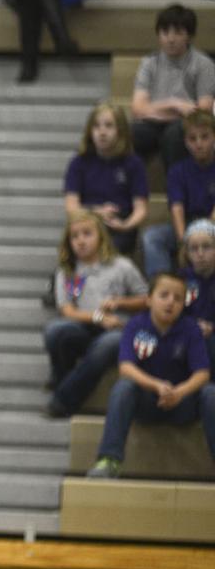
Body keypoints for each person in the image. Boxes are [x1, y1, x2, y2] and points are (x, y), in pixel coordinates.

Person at [87, 271, 215, 478]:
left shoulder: (191, 329)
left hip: (182, 404)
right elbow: (126, 367)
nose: (170, 302)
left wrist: (179, 393)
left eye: (178, 298)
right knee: (123, 386)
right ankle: (109, 460)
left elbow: (202, 374)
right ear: (148, 300)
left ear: (184, 304)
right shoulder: (135, 325)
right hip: (147, 402)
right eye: (164, 295)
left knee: (210, 393)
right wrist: (157, 386)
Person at [44, 210, 148, 418]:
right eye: (75, 236)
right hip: (85, 326)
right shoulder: (67, 270)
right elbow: (67, 311)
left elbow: (147, 300)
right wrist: (98, 317)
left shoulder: (122, 266)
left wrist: (120, 302)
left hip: (117, 329)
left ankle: (62, 400)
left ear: (100, 236)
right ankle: (62, 379)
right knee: (55, 330)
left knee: (107, 345)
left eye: (87, 234)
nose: (81, 241)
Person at [131, 4, 215, 175]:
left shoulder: (203, 64)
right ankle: (128, 194)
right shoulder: (149, 63)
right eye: (165, 32)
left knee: (174, 135)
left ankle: (177, 197)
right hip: (154, 123)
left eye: (177, 32)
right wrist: (174, 105)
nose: (170, 39)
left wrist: (156, 109)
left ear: (189, 36)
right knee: (131, 133)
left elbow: (203, 111)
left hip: (186, 125)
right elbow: (138, 108)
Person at [62, 101, 148, 257]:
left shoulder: (133, 164)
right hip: (86, 222)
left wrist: (125, 225)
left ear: (120, 131)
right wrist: (96, 213)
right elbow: (71, 206)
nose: (102, 132)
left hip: (119, 227)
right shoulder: (79, 162)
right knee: (76, 245)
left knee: (108, 251)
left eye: (108, 126)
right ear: (90, 131)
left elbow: (140, 209)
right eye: (96, 126)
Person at [143, 110, 215, 279]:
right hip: (187, 224)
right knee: (152, 237)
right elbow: (177, 207)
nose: (199, 143)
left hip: (212, 224)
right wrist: (184, 240)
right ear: (185, 141)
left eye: (205, 137)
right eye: (192, 138)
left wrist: (205, 234)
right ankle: (163, 286)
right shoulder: (178, 171)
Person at [179, 219, 215, 368]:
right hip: (187, 333)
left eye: (206, 247)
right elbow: (172, 313)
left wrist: (212, 327)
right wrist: (192, 325)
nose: (200, 254)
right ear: (187, 253)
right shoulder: (180, 280)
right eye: (194, 248)